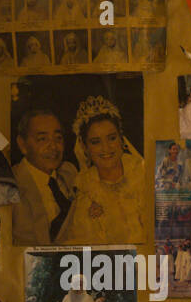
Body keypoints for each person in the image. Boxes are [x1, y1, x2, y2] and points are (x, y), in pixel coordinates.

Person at [60, 99, 146, 244]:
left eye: (112, 138)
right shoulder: (85, 187)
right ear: (84, 146)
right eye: (96, 142)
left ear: (121, 139)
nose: (106, 148)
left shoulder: (142, 172)